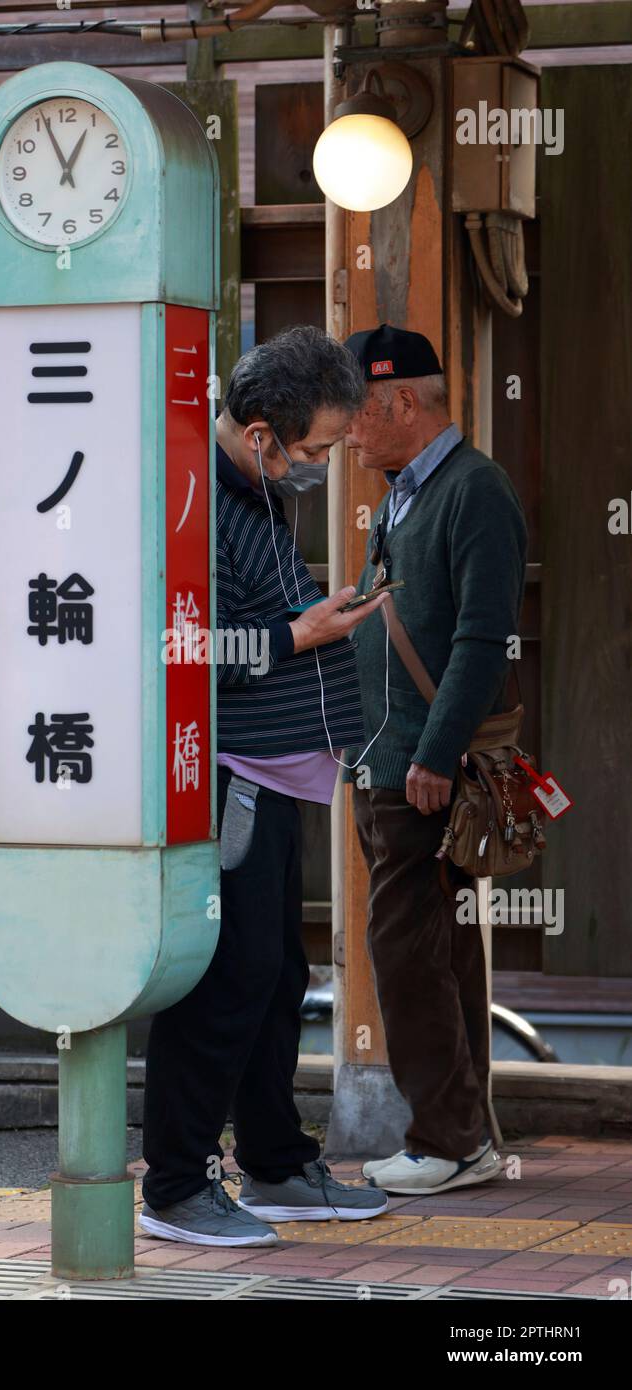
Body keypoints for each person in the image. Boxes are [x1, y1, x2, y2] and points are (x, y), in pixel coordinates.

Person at [140, 326, 390, 1246]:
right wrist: (298, 636)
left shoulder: (248, 493)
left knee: (279, 972)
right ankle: (174, 1184)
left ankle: (277, 1162)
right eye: (315, 449)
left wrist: (305, 622)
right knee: (227, 977)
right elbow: (173, 650)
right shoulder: (193, 501)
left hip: (273, 772)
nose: (319, 466)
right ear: (259, 433)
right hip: (229, 773)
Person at [342, 323, 528, 1197]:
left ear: (403, 403)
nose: (347, 431)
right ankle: (466, 1138)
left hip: (418, 767)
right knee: (439, 947)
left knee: (409, 948)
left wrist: (436, 751)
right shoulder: (402, 494)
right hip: (388, 758)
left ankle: (447, 1140)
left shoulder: (474, 491)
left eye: (358, 414)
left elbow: (482, 637)